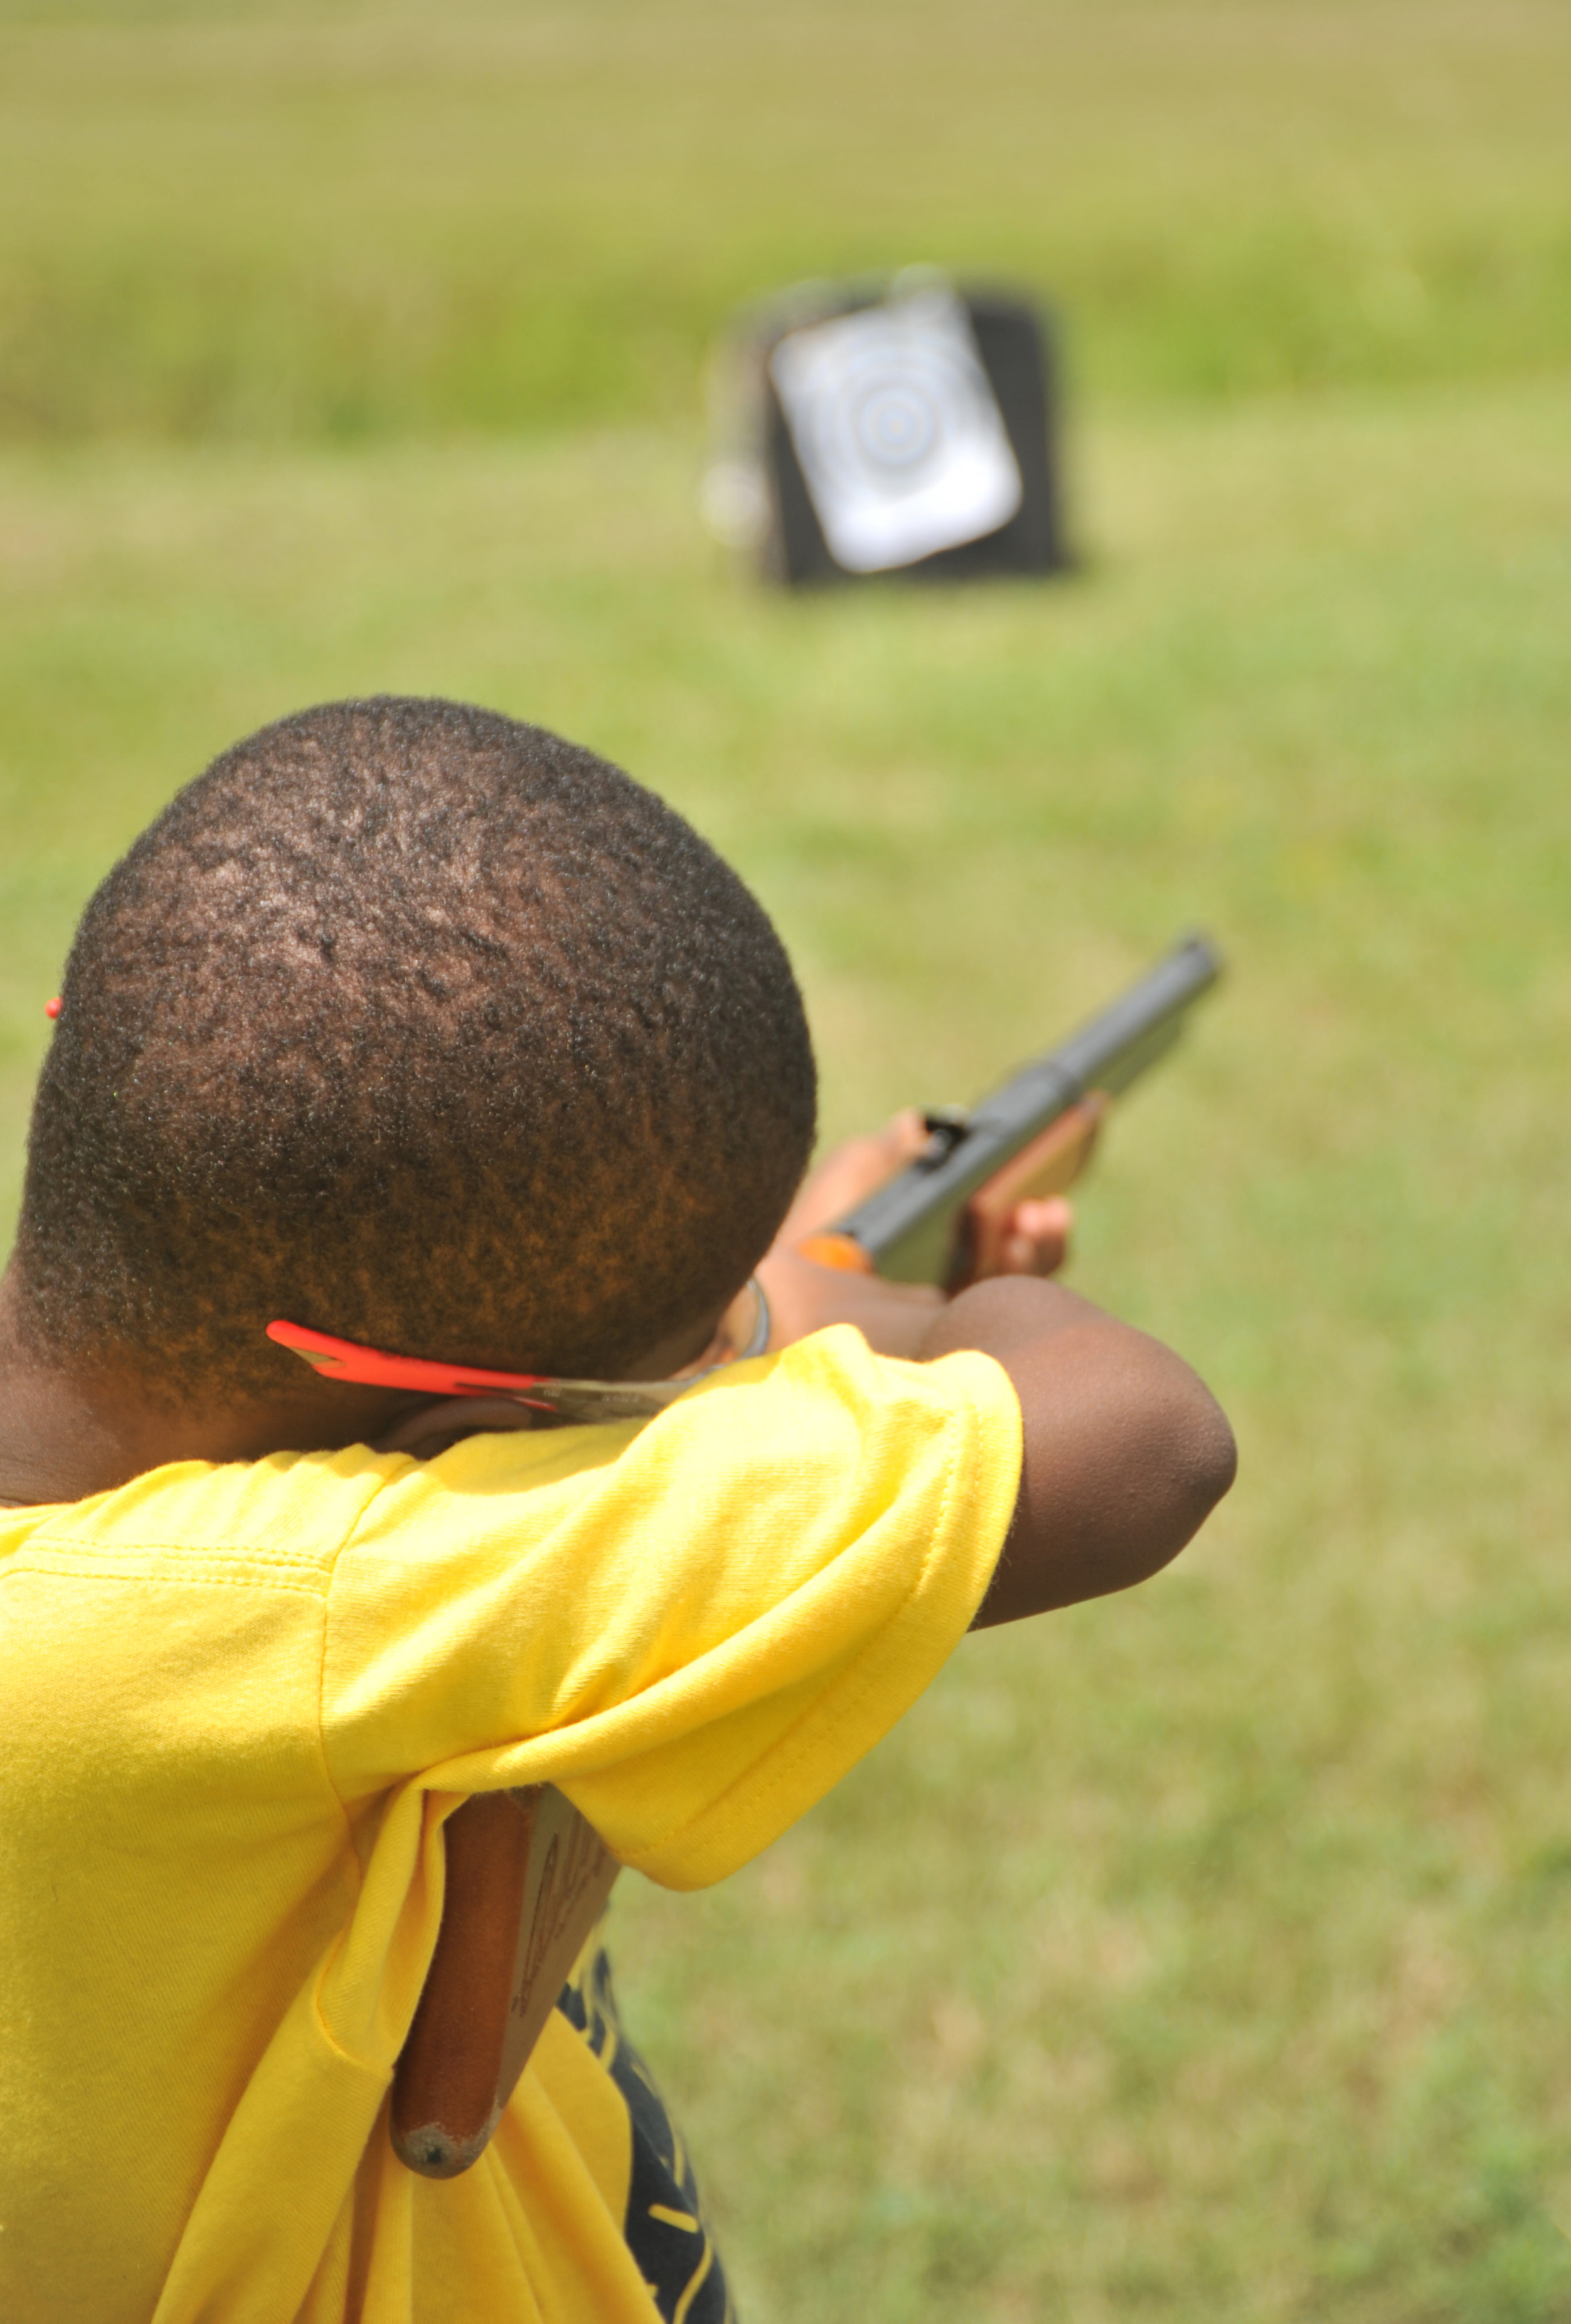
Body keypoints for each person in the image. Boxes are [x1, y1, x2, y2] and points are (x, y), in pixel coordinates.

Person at [0, 697, 1235, 2324]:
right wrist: (864, 1324)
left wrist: (770, 1302)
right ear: (478, 1432)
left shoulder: (171, 1590)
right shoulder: (320, 1603)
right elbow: (1147, 1437)